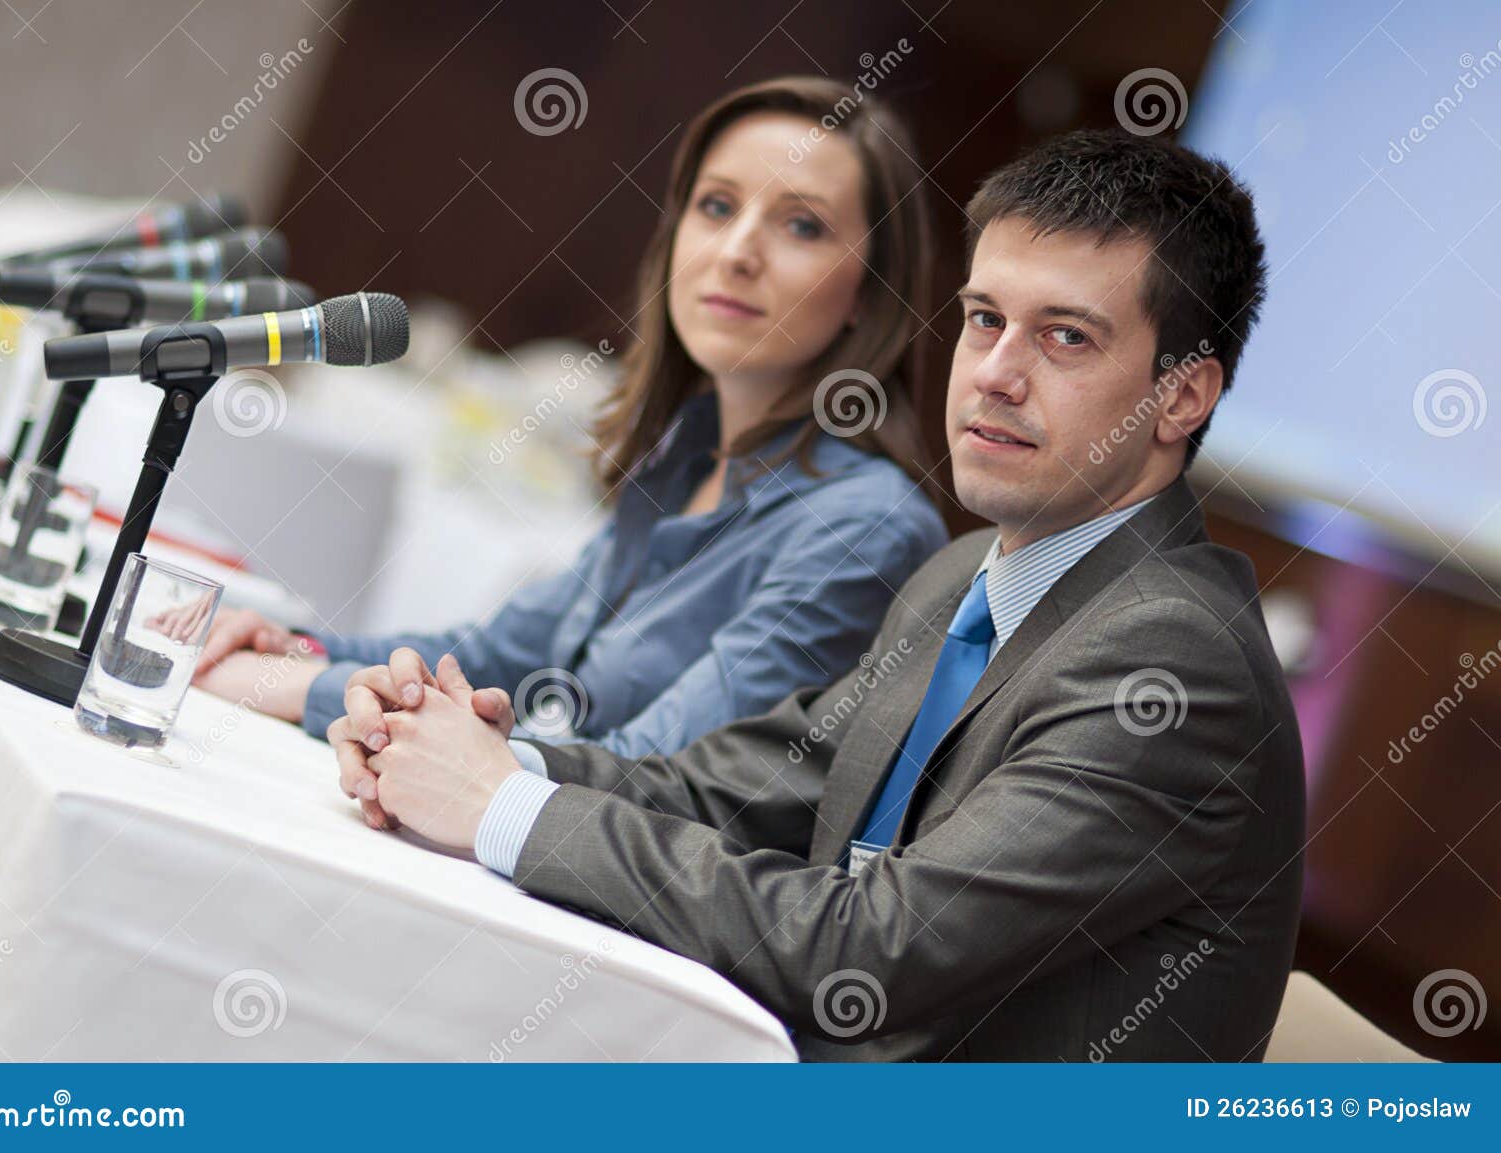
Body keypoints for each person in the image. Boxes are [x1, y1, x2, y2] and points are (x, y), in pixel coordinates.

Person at [327, 127, 1308, 1062]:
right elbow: (733, 791)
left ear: (1181, 395)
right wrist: (475, 749)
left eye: (1064, 338)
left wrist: (500, 806)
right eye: (983, 320)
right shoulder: (960, 577)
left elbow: (865, 953)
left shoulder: (1173, 666)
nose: (996, 375)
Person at [194, 76, 947, 757]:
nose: (738, 251)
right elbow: (492, 653)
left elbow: (654, 770)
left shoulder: (866, 526)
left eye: (802, 225)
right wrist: (297, 651)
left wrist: (302, 690)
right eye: (717, 206)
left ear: (869, 294)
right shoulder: (685, 456)